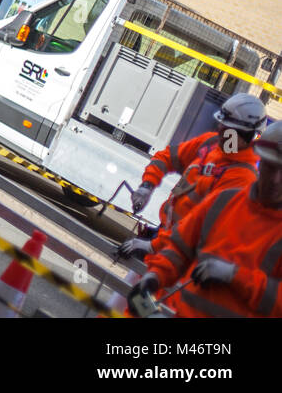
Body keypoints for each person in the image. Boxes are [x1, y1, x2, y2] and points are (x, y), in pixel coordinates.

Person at [128, 119, 282, 318]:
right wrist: (154, 277)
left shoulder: (240, 176)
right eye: (271, 167)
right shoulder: (225, 201)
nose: (276, 179)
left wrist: (235, 276)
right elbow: (180, 248)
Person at [119, 94, 266, 259]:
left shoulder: (242, 178)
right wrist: (147, 186)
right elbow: (166, 157)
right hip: (163, 239)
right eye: (222, 125)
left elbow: (202, 228)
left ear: (249, 137)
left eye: (228, 130)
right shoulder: (210, 144)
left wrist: (153, 246)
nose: (221, 131)